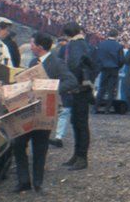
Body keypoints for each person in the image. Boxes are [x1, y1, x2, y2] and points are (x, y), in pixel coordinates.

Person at [14, 32, 77, 193]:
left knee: (40, 147)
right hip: (28, 110)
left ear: (40, 47)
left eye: (32, 44)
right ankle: (23, 181)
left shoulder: (57, 63)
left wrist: (52, 90)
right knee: (18, 144)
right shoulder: (33, 62)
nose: (31, 46)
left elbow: (71, 81)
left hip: (45, 111)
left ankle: (38, 182)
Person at [59, 22, 95, 170]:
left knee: (80, 124)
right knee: (78, 123)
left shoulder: (75, 45)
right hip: (82, 88)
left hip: (78, 89)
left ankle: (81, 157)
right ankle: (78, 155)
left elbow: (74, 65)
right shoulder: (83, 44)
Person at [94, 29, 125, 114]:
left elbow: (97, 57)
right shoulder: (119, 46)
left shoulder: (101, 44)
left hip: (104, 68)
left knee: (101, 88)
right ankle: (107, 109)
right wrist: (118, 67)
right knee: (111, 90)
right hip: (114, 69)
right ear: (116, 36)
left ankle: (95, 107)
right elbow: (122, 60)